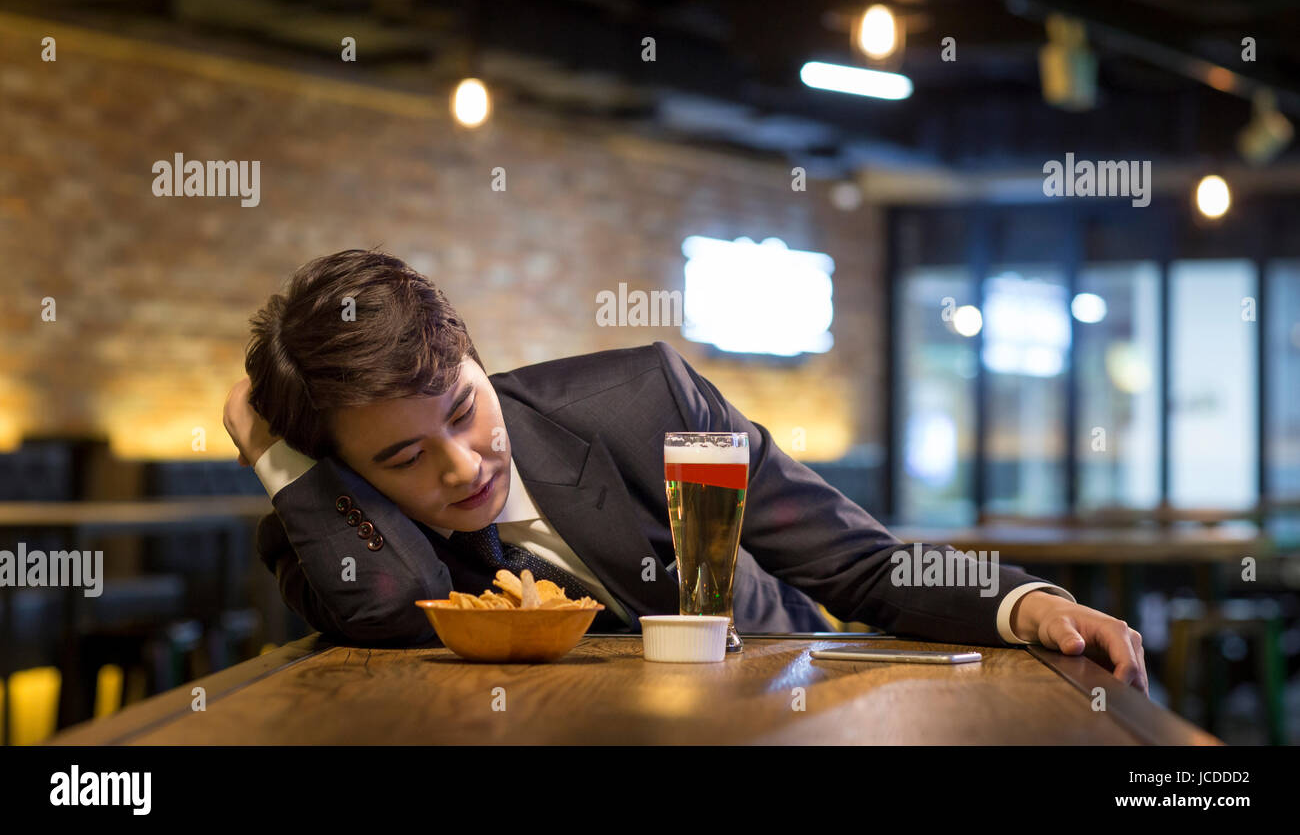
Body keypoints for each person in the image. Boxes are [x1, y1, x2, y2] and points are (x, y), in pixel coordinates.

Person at [224, 248, 1148, 694]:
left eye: (464, 409)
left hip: (783, 703)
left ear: (471, 354)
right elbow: (392, 614)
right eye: (402, 456)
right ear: (339, 468)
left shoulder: (643, 404)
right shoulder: (330, 528)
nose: (465, 465)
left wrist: (1022, 605)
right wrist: (275, 452)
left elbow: (855, 563)